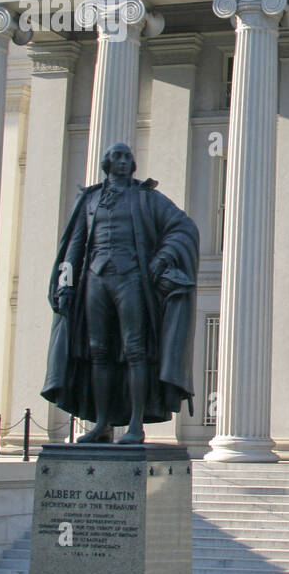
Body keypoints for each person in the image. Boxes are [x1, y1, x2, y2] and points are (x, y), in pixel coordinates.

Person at [42, 142, 199, 444]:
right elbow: (74, 247)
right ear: (107, 163)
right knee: (97, 350)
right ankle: (102, 423)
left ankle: (135, 425)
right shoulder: (90, 199)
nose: (124, 161)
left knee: (135, 350)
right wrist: (65, 283)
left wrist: (162, 257)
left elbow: (183, 227)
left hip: (131, 279)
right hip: (94, 280)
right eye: (118, 157)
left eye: (128, 157)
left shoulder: (146, 198)